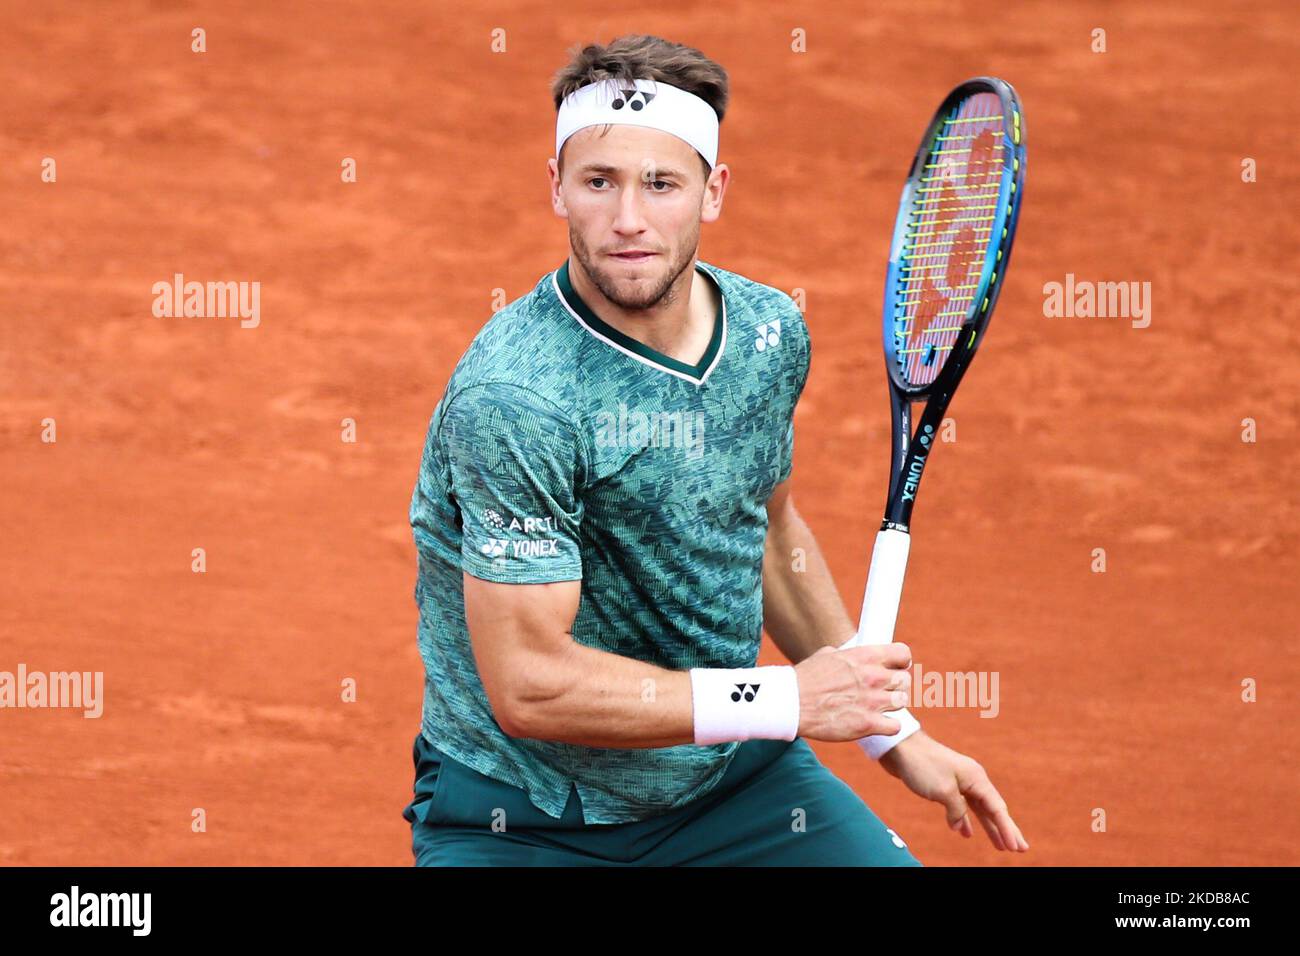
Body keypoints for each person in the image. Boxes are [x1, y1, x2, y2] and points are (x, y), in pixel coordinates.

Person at [403, 33, 1028, 865]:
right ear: (556, 187)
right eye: (599, 181)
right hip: (526, 816)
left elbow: (766, 536)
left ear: (714, 191)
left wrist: (892, 732)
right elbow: (529, 686)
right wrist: (784, 699)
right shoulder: (517, 398)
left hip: (733, 789)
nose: (629, 219)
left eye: (661, 183)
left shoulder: (768, 335)